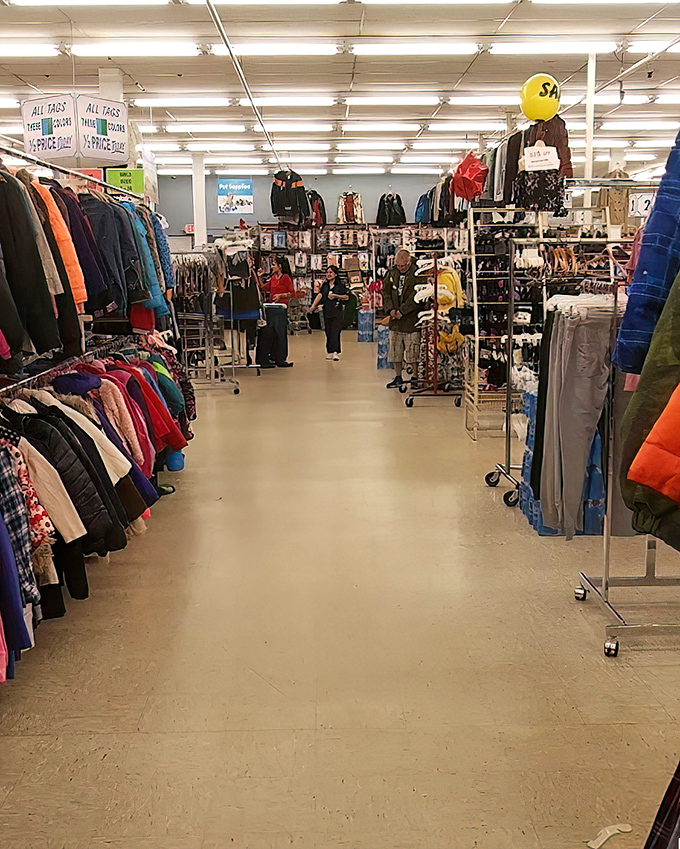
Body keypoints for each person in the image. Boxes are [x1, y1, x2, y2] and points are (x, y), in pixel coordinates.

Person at [382, 249, 423, 389]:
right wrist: (390, 310)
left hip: (411, 320)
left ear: (409, 261)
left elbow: (417, 296)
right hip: (395, 321)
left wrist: (403, 310)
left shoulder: (417, 274)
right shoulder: (392, 273)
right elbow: (385, 292)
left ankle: (415, 377)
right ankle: (398, 376)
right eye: (399, 265)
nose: (401, 268)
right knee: (395, 350)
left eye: (403, 265)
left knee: (413, 351)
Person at [309, 265, 349, 361]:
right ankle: (330, 351)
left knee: (335, 331)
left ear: (335, 274)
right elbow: (320, 295)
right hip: (327, 310)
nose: (328, 274)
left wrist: (336, 296)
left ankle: (336, 351)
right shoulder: (325, 286)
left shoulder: (340, 285)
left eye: (330, 272)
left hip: (337, 310)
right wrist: (313, 306)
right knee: (328, 331)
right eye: (327, 272)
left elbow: (346, 297)